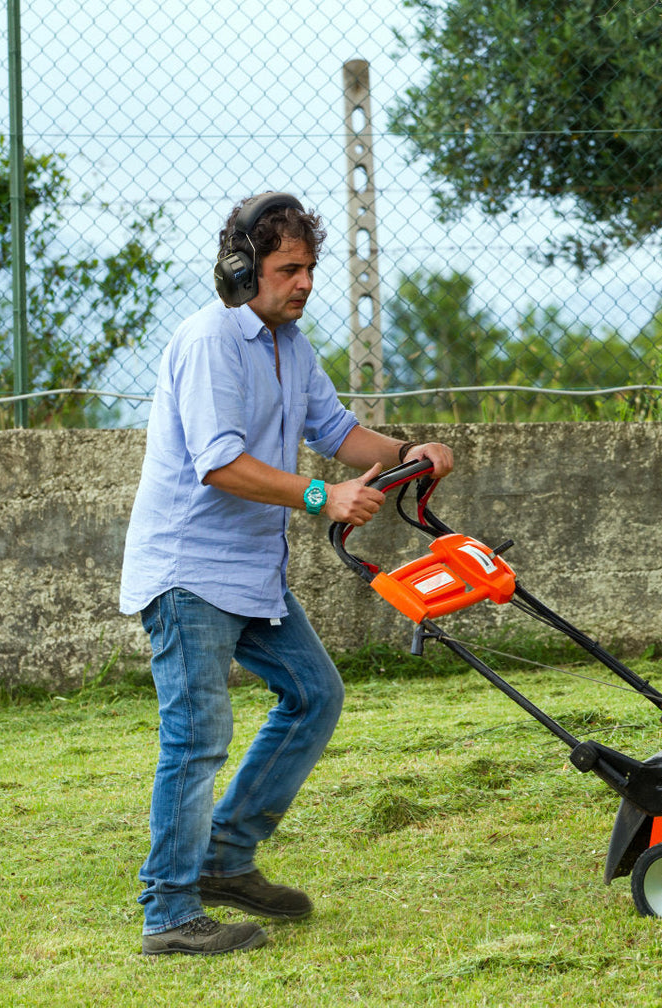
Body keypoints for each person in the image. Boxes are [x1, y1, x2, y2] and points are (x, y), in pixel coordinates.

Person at [119, 192, 452, 956]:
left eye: (310, 268)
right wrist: (321, 495)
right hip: (187, 572)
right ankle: (169, 913)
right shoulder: (210, 342)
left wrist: (408, 453)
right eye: (287, 269)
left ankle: (226, 860)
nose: (303, 284)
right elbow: (220, 463)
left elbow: (336, 431)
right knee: (197, 736)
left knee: (314, 694)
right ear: (242, 270)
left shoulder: (289, 346)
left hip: (249, 573)